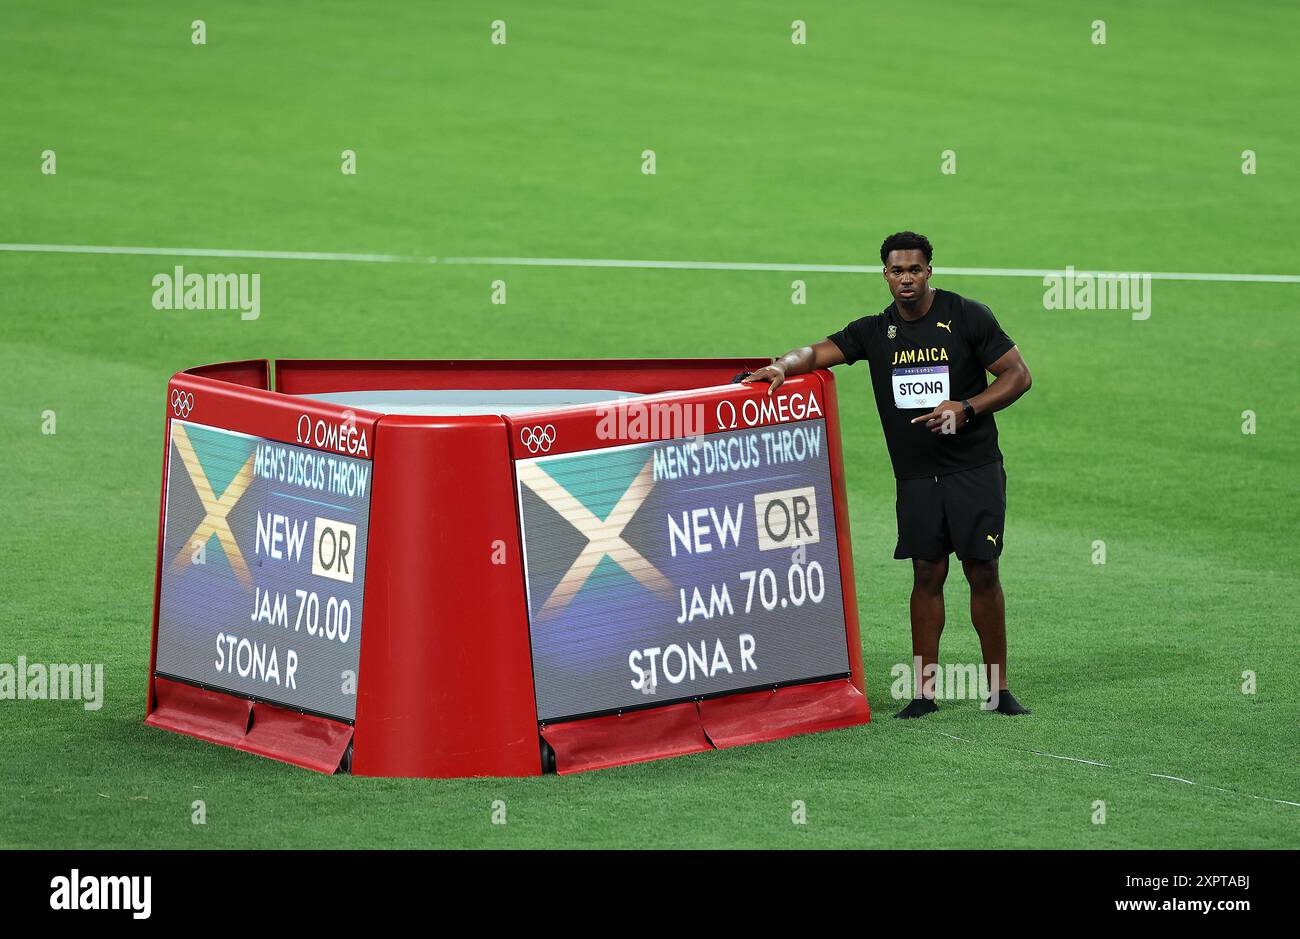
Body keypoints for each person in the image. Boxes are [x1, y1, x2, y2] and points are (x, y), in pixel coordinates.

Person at [744, 231, 1033, 717]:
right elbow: (818, 353)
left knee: (982, 570)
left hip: (973, 468)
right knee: (927, 572)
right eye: (897, 271)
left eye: (915, 270)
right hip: (917, 477)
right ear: (885, 275)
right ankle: (924, 694)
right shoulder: (875, 332)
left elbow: (1018, 376)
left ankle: (999, 690)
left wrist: (967, 407)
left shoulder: (966, 316)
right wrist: (781, 366)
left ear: (929, 272)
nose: (906, 279)